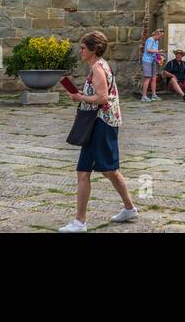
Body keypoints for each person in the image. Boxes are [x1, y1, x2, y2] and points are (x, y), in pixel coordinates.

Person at [59, 30, 138, 233]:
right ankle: (129, 208)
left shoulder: (97, 68)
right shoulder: (100, 65)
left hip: (100, 123)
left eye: (83, 48)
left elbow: (102, 97)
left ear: (93, 49)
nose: (80, 51)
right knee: (107, 170)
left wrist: (79, 97)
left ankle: (80, 222)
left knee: (88, 171)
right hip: (103, 122)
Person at [140, 28, 164, 102]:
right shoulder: (150, 39)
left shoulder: (156, 41)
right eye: (160, 36)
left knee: (154, 78)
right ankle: (144, 96)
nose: (161, 38)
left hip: (153, 60)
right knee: (148, 78)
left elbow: (154, 52)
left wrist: (160, 55)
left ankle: (154, 95)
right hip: (147, 61)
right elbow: (148, 50)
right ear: (157, 34)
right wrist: (157, 51)